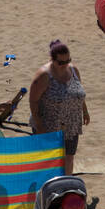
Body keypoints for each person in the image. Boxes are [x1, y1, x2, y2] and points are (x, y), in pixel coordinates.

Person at [29, 39, 89, 174]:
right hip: (49, 124)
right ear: (52, 60)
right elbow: (33, 101)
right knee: (48, 161)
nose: (65, 64)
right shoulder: (44, 75)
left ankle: (66, 186)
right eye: (61, 62)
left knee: (69, 158)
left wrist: (85, 111)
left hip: (71, 123)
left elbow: (79, 92)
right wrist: (39, 126)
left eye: (68, 60)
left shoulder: (73, 70)